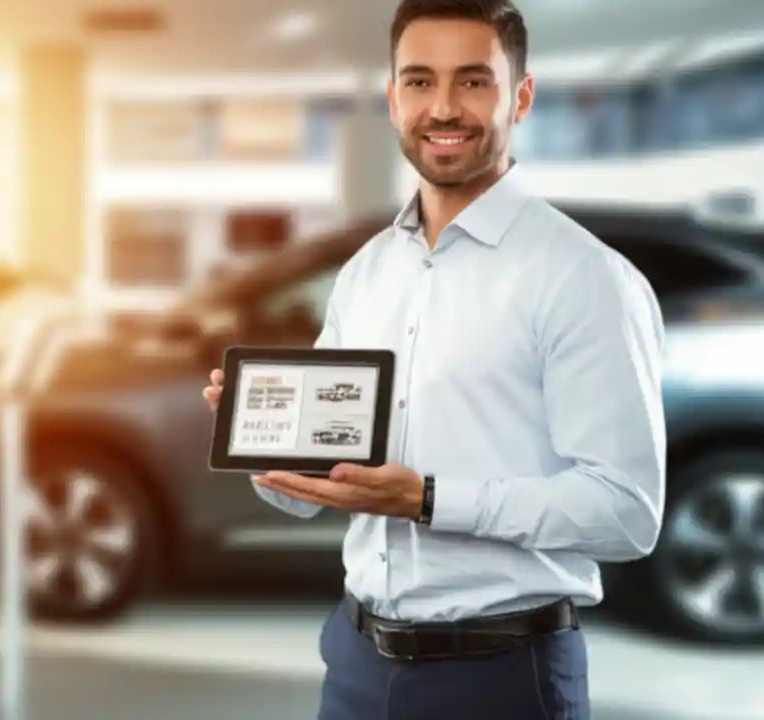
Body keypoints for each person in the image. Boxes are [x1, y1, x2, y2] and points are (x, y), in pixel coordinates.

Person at [203, 0, 665, 717]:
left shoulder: (583, 277)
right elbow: (306, 491)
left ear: (522, 95)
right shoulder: (367, 271)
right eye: (419, 82)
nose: (443, 107)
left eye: (474, 81)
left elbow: (627, 513)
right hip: (356, 666)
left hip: (503, 676)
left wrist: (425, 500)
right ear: (392, 99)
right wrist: (260, 438)